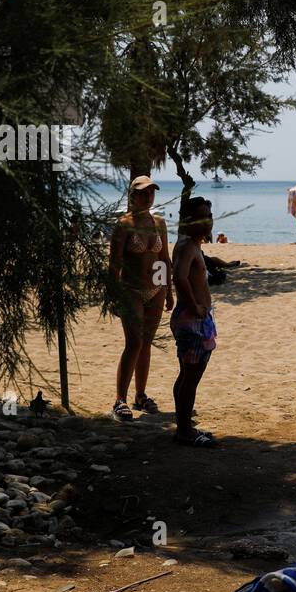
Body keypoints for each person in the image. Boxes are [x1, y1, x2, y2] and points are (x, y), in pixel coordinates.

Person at [109, 176, 173, 421]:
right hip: (131, 290)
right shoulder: (124, 225)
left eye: (151, 193)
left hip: (155, 289)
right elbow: (114, 264)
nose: (148, 197)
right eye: (143, 193)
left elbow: (164, 259)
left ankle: (140, 394)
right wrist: (113, 295)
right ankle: (119, 400)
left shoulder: (159, 223)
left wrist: (168, 290)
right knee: (134, 343)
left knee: (146, 343)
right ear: (133, 196)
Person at [169, 197, 218, 448]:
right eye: (202, 216)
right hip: (192, 320)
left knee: (186, 375)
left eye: (209, 215)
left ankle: (184, 426)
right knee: (191, 378)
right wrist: (194, 305)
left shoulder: (191, 244)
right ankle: (185, 431)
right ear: (188, 220)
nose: (208, 221)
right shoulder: (188, 246)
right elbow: (178, 276)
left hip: (194, 319)